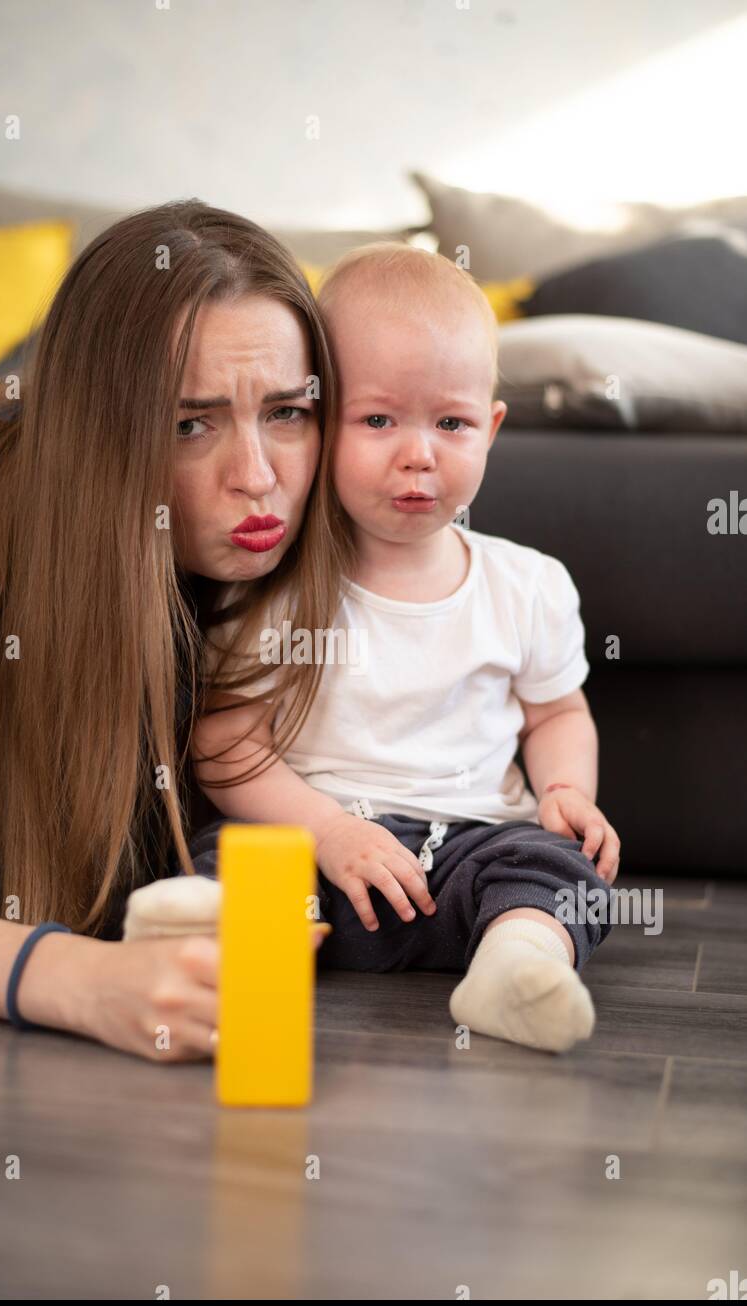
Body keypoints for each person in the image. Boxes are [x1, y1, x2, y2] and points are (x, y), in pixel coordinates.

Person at [0, 199, 352, 1062]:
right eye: (188, 423)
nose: (257, 478)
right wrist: (77, 982)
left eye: (286, 411)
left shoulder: (357, 496)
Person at [190, 244, 621, 1054]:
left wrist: (565, 789)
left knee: (559, 872)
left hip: (470, 848)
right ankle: (243, 974)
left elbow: (557, 710)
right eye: (378, 420)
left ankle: (516, 963)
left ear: (490, 427)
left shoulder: (525, 586)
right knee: (226, 861)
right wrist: (327, 830)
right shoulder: (272, 585)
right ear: (319, 423)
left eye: (450, 423)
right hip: (317, 843)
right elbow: (223, 744)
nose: (417, 453)